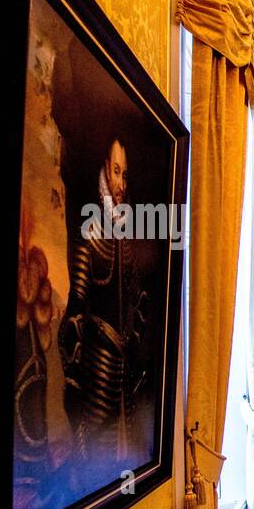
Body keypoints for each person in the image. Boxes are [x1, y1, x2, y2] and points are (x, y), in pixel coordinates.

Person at [59, 137, 149, 473]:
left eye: (125, 174)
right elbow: (76, 309)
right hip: (98, 362)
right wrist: (75, 377)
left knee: (122, 455)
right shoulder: (91, 232)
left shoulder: (125, 241)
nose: (121, 184)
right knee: (95, 454)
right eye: (116, 171)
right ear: (103, 172)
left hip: (124, 369)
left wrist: (138, 348)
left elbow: (138, 301)